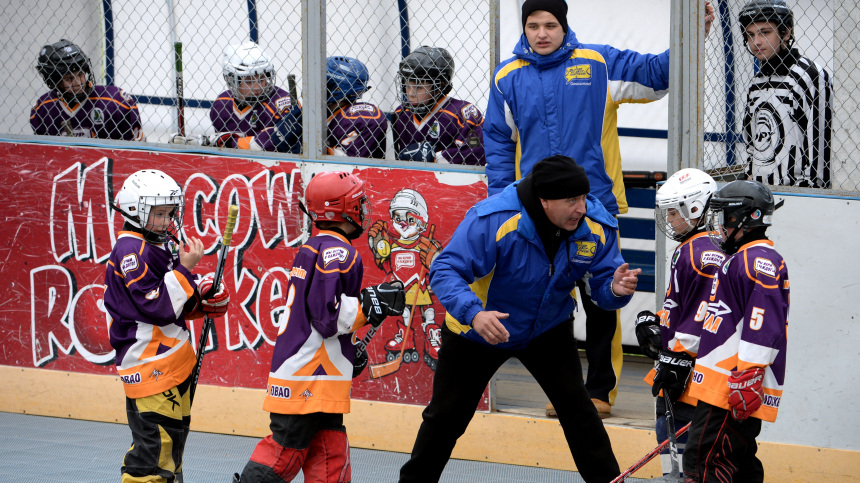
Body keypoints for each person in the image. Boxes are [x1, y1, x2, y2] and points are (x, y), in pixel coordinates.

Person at [483, 0, 715, 418]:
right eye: (533, 25)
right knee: (547, 303)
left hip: (594, 210)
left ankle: (599, 392)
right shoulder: (506, 77)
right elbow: (499, 141)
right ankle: (564, 391)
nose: (541, 33)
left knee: (602, 300)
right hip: (535, 212)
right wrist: (502, 200)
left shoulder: (597, 63)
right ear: (524, 28)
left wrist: (693, 34)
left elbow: (656, 73)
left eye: (550, 24)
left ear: (564, 26)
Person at [399, 155, 641, 483]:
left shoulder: (595, 225)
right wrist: (474, 314)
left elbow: (602, 287)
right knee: (445, 419)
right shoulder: (494, 218)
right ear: (544, 201)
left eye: (584, 197)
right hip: (480, 330)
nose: (581, 208)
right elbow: (445, 269)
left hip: (547, 328)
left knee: (580, 414)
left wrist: (614, 289)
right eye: (572, 200)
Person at [235, 171, 406, 483]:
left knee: (329, 452)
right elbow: (327, 318)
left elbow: (314, 316)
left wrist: (344, 353)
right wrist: (369, 305)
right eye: (358, 202)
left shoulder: (314, 246)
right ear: (344, 209)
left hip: (316, 373)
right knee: (284, 454)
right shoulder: (338, 252)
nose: (363, 208)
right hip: (307, 377)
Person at [104, 169, 230, 482]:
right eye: (158, 214)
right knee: (153, 455)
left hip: (173, 362)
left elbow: (176, 299)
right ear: (133, 211)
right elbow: (157, 306)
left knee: (171, 449)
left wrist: (202, 294)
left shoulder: (155, 243)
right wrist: (186, 270)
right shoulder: (131, 251)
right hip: (150, 366)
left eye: (169, 213)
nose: (166, 221)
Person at [681, 180, 789, 482]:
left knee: (704, 462)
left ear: (745, 218)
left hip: (733, 387)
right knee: (738, 464)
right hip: (725, 385)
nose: (719, 226)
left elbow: (764, 321)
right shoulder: (742, 257)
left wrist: (749, 375)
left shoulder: (759, 260)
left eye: (725, 217)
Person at [633, 168, 721, 476]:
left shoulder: (701, 251)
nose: (669, 220)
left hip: (691, 372)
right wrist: (657, 321)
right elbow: (686, 305)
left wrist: (681, 357)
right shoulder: (696, 246)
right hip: (684, 364)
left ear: (695, 208)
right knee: (671, 431)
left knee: (678, 433)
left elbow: (708, 312)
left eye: (673, 213)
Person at [739, 0, 832, 188]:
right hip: (761, 193)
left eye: (765, 32)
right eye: (750, 35)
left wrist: (811, 195)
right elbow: (752, 143)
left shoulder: (809, 76)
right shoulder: (756, 82)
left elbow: (820, 148)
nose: (756, 42)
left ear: (786, 33)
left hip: (799, 195)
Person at [171, 42, 292, 150]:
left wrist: (222, 142)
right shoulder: (222, 104)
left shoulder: (280, 102)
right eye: (249, 81)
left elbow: (266, 143)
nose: (257, 87)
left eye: (261, 79)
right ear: (232, 80)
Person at [271, 56, 388, 157]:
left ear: (338, 88)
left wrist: (310, 146)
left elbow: (346, 164)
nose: (312, 86)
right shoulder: (310, 113)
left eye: (320, 82)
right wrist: (278, 135)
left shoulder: (362, 116)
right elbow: (261, 147)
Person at [31, 39, 145, 141]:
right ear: (56, 82)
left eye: (81, 74)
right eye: (70, 78)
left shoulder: (116, 102)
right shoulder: (44, 108)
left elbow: (136, 150)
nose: (79, 82)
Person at [392, 46, 485, 165]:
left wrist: (436, 158)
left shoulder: (461, 113)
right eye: (407, 85)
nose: (410, 93)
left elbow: (478, 151)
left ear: (440, 85)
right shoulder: (401, 113)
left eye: (418, 87)